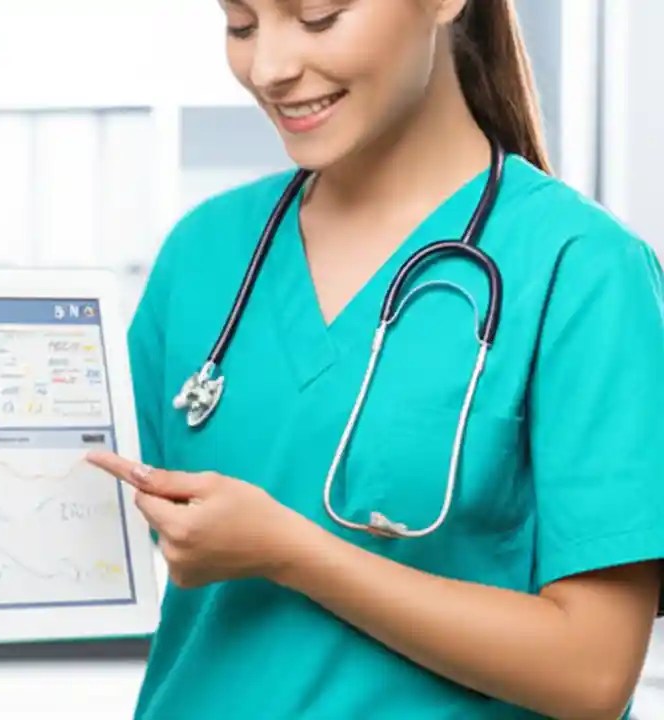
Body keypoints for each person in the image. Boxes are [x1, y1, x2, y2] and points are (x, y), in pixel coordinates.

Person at [86, 0, 664, 718]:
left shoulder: (581, 271)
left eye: (319, 17)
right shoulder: (206, 252)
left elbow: (592, 673)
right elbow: (92, 521)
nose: (269, 68)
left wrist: (291, 552)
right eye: (240, 25)